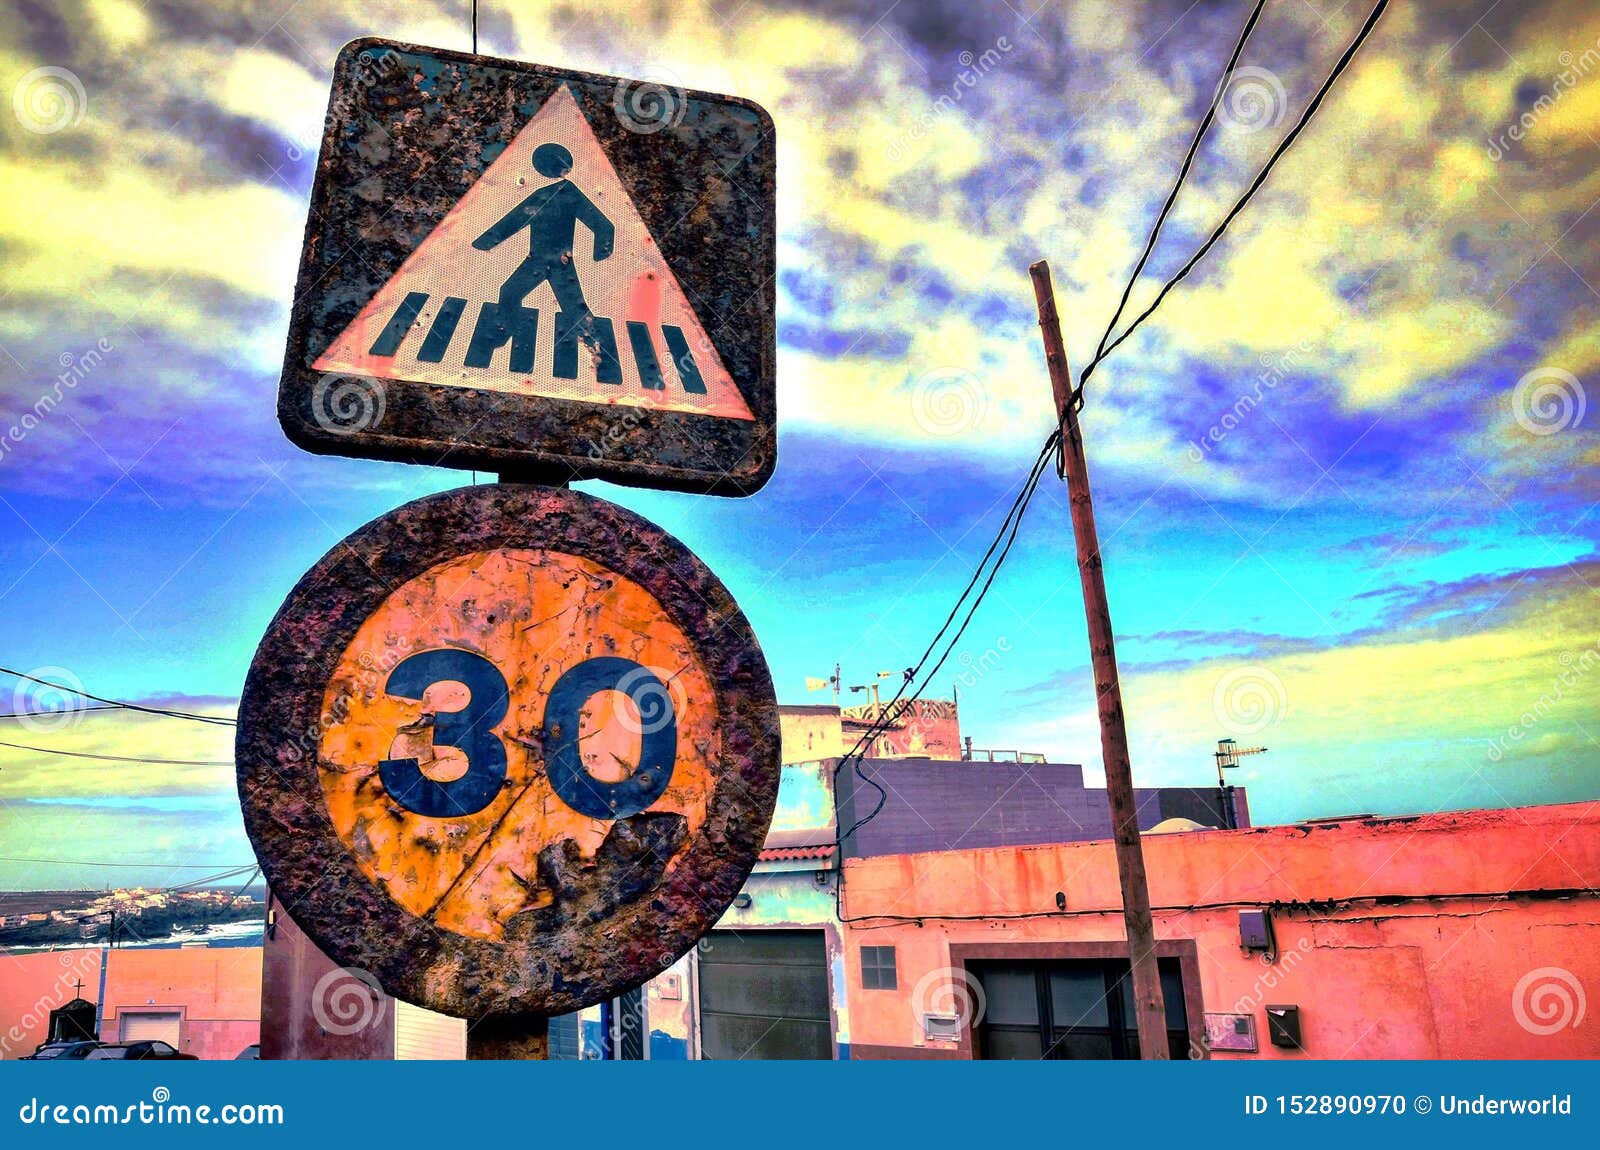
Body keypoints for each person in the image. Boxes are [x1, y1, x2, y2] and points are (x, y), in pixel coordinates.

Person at [473, 142, 615, 333]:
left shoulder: (568, 192)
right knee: (509, 293)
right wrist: (485, 242)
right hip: (537, 260)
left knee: (572, 309)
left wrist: (602, 252)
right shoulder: (542, 193)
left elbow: (602, 224)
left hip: (559, 261)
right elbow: (514, 221)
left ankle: (596, 340)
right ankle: (507, 334)